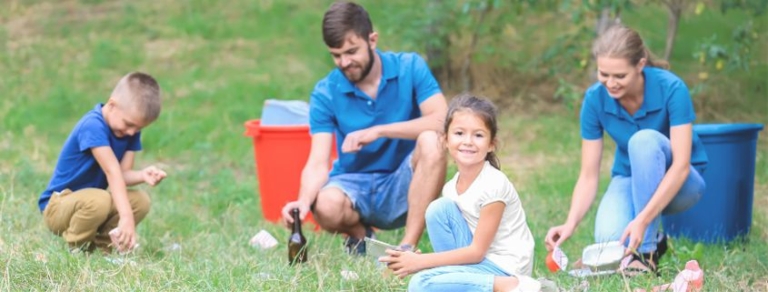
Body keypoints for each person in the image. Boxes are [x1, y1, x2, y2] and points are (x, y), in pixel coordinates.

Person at [280, 1, 447, 255]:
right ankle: (363, 240)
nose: (344, 62)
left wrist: (379, 131)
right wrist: (303, 203)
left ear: (372, 40)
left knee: (433, 141)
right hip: (353, 184)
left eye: (351, 52)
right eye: (336, 55)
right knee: (325, 204)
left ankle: (406, 248)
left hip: (405, 179)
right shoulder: (326, 91)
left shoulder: (410, 67)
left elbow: (443, 121)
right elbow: (317, 161)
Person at [544, 25, 708, 275]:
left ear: (640, 65)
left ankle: (647, 254)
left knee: (643, 141)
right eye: (603, 74)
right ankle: (650, 242)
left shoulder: (672, 89)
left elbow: (682, 165)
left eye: (619, 76)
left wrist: (642, 220)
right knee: (609, 238)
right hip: (630, 178)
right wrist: (570, 223)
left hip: (682, 183)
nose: (610, 83)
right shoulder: (595, 99)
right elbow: (588, 174)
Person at [381, 94, 540, 292]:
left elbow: (476, 252)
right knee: (438, 209)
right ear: (446, 139)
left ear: (491, 144)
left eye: (478, 135)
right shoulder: (450, 187)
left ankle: (512, 286)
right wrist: (420, 261)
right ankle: (467, 283)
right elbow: (466, 251)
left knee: (420, 283)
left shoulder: (493, 184)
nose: (468, 141)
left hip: (505, 267)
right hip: (478, 264)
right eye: (459, 133)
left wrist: (424, 262)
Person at [38, 72, 167, 254]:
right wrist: (126, 216)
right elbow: (112, 171)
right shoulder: (93, 125)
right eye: (129, 124)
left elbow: (121, 174)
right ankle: (77, 249)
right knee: (100, 199)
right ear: (112, 105)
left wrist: (141, 175)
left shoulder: (129, 133)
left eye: (139, 128)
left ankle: (105, 248)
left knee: (140, 201)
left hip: (92, 203)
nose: (132, 132)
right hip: (58, 206)